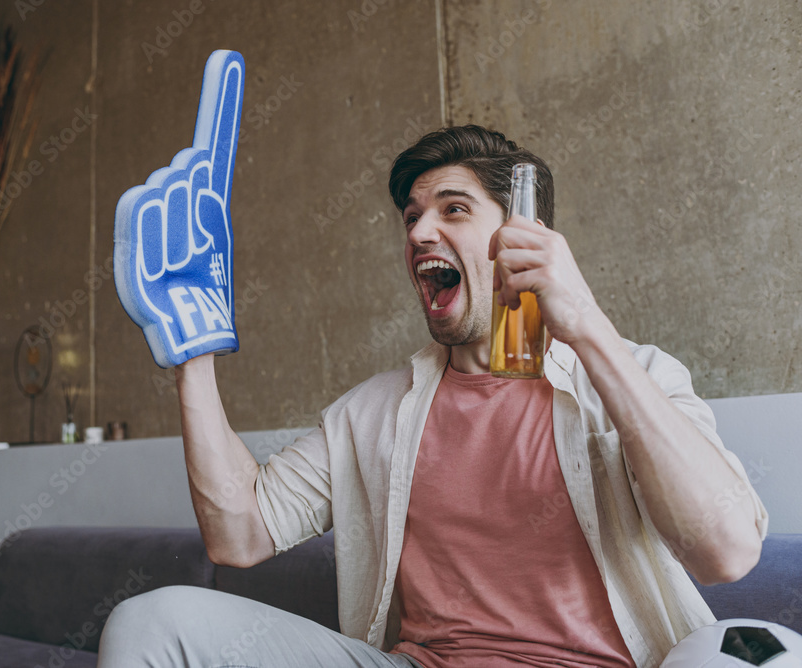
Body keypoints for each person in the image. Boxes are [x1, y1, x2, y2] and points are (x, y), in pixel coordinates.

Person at [97, 125, 769, 668]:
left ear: (522, 235)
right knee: (152, 620)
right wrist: (191, 348)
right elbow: (237, 534)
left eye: (453, 210)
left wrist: (588, 329)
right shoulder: (375, 414)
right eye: (412, 216)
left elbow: (727, 552)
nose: (418, 233)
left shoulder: (634, 376)